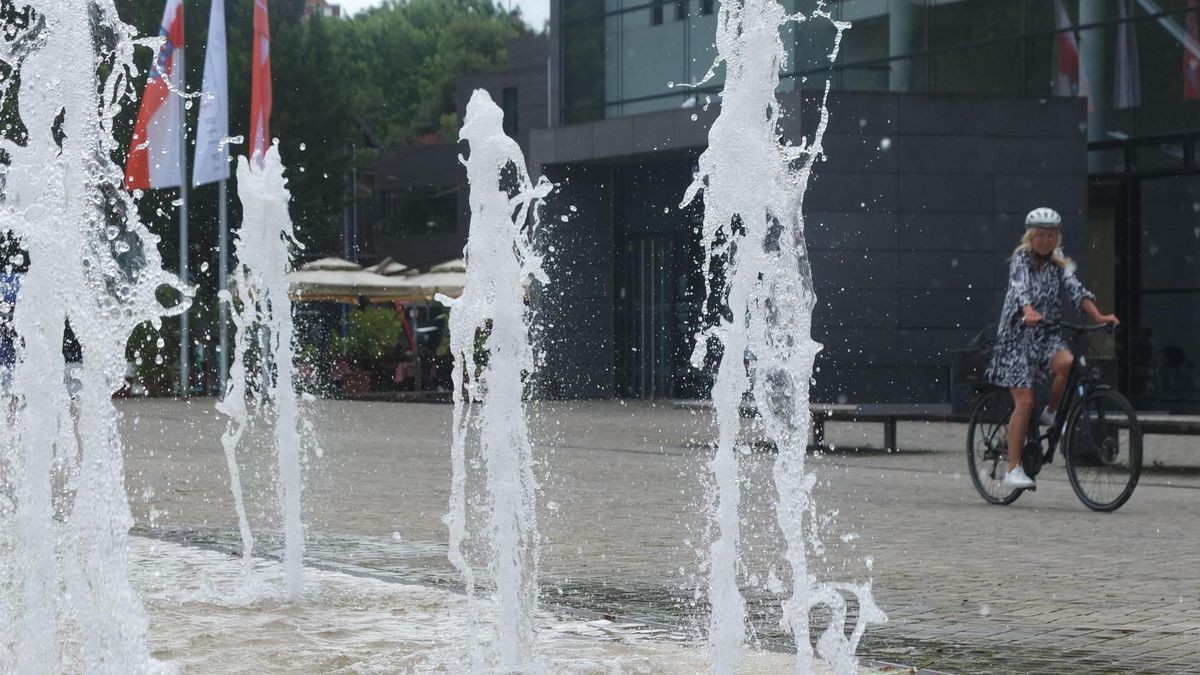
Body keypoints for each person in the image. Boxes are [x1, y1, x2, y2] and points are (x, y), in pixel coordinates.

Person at [985, 207, 1120, 490]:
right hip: (1016, 338)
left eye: (1051, 235)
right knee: (1024, 401)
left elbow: (1077, 292)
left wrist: (1099, 317)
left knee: (1068, 363)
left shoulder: (1060, 265)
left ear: (1057, 237)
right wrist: (1028, 310)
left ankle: (1052, 411)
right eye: (1040, 235)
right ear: (1031, 236)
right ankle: (1013, 469)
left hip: (1045, 336)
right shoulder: (1021, 259)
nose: (1046, 241)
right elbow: (1020, 287)